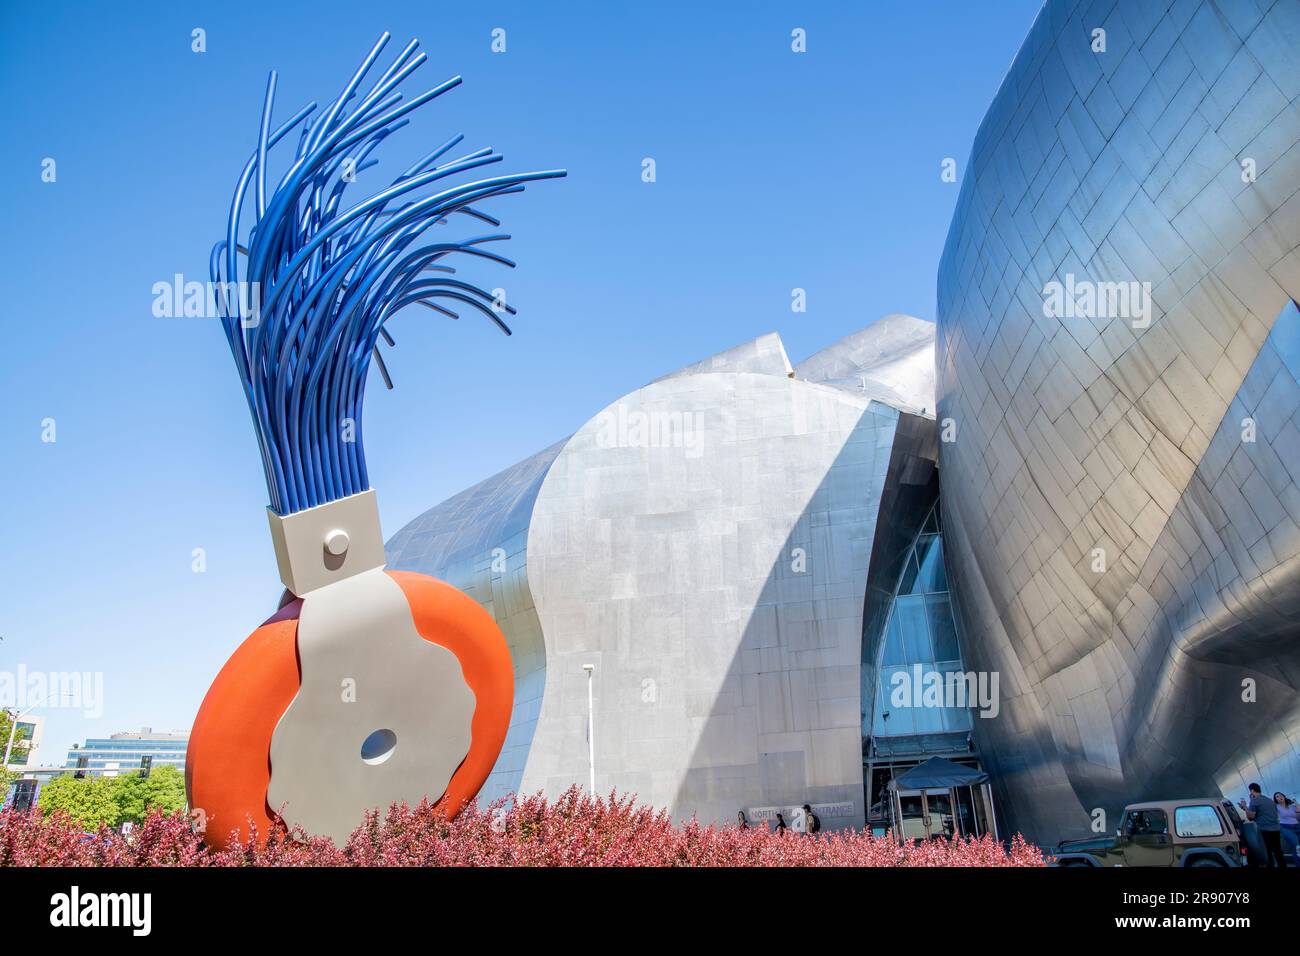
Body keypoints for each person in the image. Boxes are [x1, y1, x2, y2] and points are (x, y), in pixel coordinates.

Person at [1240, 783, 1285, 867]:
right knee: (1278, 852)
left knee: (1267, 853)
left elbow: (1251, 817)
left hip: (1264, 831)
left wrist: (1245, 806)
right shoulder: (1270, 800)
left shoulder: (1254, 801)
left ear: (1252, 791)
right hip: (1276, 829)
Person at [1275, 793, 1299, 865]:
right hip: (1285, 827)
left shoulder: (1292, 806)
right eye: (1277, 797)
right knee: (1297, 845)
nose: (1280, 797)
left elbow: (1299, 811)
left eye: (1281, 795)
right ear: (1276, 800)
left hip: (1297, 826)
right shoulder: (1276, 807)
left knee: (1296, 848)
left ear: (1284, 796)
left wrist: (1295, 802)